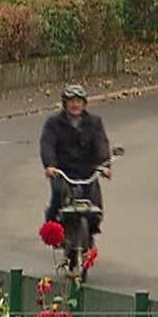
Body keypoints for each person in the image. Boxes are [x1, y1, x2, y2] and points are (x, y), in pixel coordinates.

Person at [40, 85, 111, 240]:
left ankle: (90, 234)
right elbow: (47, 144)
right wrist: (50, 165)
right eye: (71, 101)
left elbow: (101, 144)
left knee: (95, 205)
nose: (75, 105)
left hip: (87, 172)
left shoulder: (94, 122)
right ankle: (54, 233)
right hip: (63, 172)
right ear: (65, 104)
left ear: (84, 104)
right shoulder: (53, 123)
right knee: (58, 196)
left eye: (79, 101)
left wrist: (104, 166)